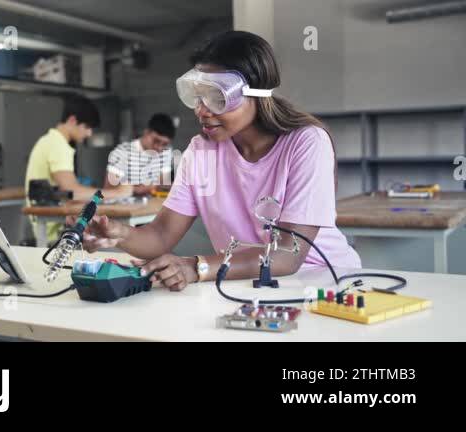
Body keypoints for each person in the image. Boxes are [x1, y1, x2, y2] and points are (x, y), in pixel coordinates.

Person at [80, 31, 361, 291]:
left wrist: (196, 266)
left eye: (217, 97)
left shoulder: (306, 142)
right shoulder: (201, 152)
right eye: (198, 97)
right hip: (239, 281)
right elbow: (162, 235)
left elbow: (288, 255)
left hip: (321, 282)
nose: (201, 111)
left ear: (255, 94)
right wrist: (119, 235)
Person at [25, 93, 129, 242]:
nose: (89, 133)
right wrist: (118, 193)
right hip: (53, 232)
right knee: (115, 238)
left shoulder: (49, 140)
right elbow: (71, 191)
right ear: (72, 120)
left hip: (52, 225)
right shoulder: (58, 144)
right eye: (87, 127)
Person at [104, 113, 176, 196]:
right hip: (126, 206)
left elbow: (163, 183)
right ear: (146, 132)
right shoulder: (122, 152)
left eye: (164, 144)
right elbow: (108, 189)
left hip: (152, 205)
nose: (159, 148)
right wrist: (138, 190)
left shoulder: (166, 151)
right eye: (156, 141)